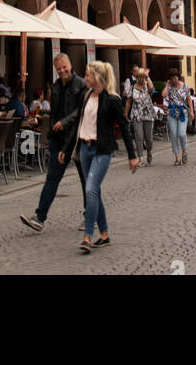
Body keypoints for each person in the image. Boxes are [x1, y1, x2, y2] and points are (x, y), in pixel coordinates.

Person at [61, 60, 138, 253]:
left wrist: (132, 155)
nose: (85, 78)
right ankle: (104, 235)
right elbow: (78, 125)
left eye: (87, 75)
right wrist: (67, 148)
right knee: (95, 191)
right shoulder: (86, 96)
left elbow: (125, 128)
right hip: (85, 149)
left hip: (101, 151)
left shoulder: (112, 99)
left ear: (97, 77)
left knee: (90, 190)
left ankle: (87, 236)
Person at [20, 52, 87, 232]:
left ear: (70, 65)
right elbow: (55, 112)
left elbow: (81, 111)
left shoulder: (81, 84)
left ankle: (90, 216)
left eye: (64, 67)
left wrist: (64, 123)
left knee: (85, 180)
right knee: (52, 179)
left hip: (77, 138)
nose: (62, 71)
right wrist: (51, 134)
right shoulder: (56, 87)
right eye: (59, 69)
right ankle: (39, 218)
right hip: (59, 140)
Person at [125, 68, 155, 165]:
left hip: (148, 114)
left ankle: (149, 151)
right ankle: (141, 158)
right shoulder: (133, 87)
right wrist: (126, 114)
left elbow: (151, 88)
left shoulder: (147, 86)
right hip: (136, 114)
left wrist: (148, 76)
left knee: (149, 138)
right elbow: (129, 101)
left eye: (143, 77)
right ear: (137, 77)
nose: (141, 79)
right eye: (139, 77)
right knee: (139, 136)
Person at [163, 71, 193, 166]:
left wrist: (191, 111)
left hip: (182, 113)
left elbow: (189, 99)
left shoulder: (185, 86)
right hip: (171, 113)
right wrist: (167, 84)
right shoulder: (170, 87)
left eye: (175, 78)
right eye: (172, 79)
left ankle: (184, 151)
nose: (174, 80)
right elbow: (163, 95)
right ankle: (177, 157)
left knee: (182, 133)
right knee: (174, 135)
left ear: (178, 78)